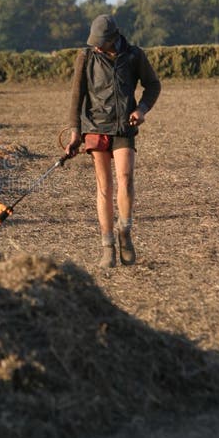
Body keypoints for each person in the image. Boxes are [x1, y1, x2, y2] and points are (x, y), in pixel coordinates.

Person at [65, 14, 161, 268]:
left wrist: (141, 109)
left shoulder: (133, 55)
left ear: (113, 38)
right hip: (95, 128)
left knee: (126, 180)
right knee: (105, 187)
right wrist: (75, 131)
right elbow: (77, 96)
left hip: (124, 127)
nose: (96, 46)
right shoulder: (85, 57)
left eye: (100, 42)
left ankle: (125, 233)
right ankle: (107, 246)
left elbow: (153, 85)